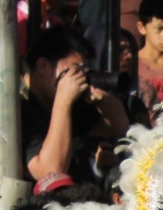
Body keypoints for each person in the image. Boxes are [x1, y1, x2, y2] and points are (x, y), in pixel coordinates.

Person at [21, 25, 130, 184]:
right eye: (75, 70)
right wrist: (63, 102)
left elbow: (120, 127)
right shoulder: (15, 108)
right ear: (43, 66)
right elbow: (50, 174)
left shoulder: (68, 100)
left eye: (84, 71)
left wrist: (102, 99)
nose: (80, 77)